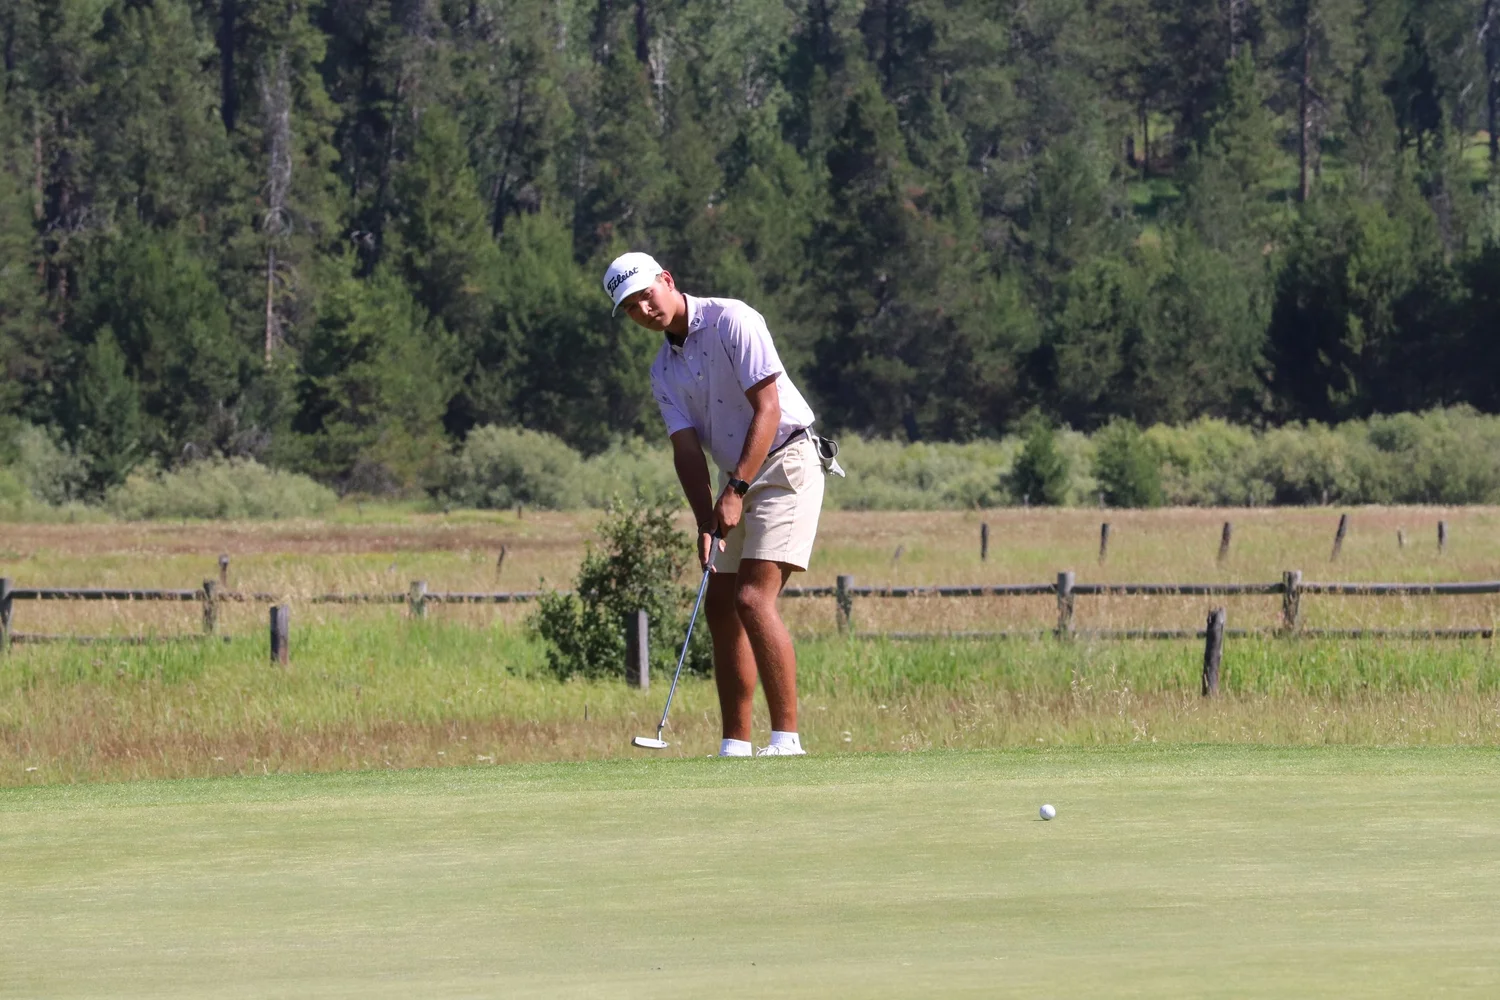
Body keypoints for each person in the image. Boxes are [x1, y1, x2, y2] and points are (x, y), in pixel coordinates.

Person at [603, 251, 841, 757]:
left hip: (786, 460)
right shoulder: (662, 370)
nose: (645, 309)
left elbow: (769, 407)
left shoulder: (734, 319)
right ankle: (735, 745)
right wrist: (703, 521)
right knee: (719, 604)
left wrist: (733, 493)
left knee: (753, 599)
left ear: (667, 281)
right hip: (734, 473)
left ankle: (787, 740)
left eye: (647, 294)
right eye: (631, 307)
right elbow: (686, 450)